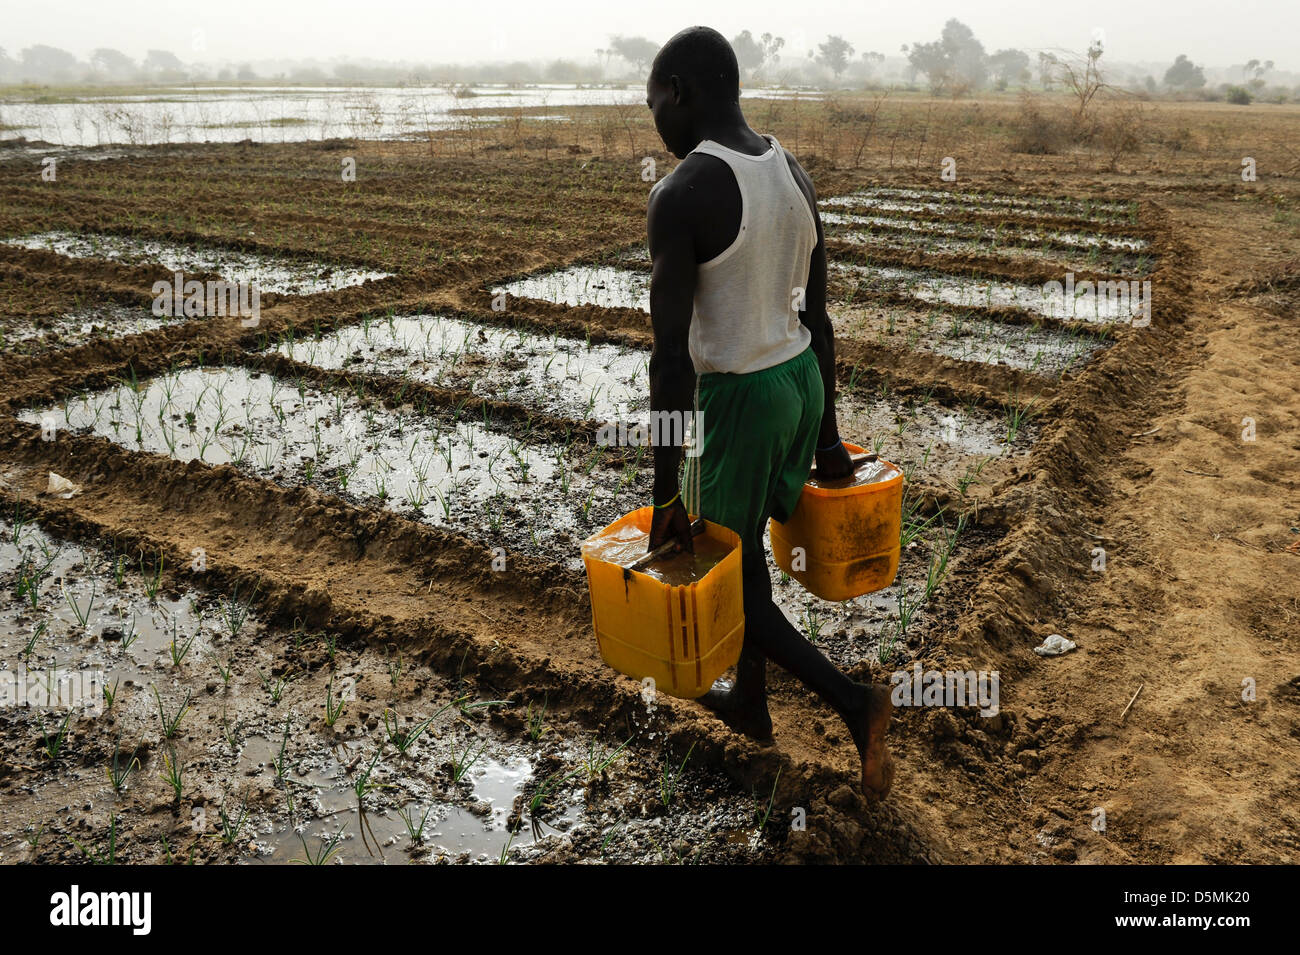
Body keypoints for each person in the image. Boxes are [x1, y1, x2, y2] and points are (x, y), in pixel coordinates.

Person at [643, 26, 894, 799]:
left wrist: (662, 496)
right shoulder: (793, 173)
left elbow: (672, 358)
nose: (653, 117)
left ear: (679, 92)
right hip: (797, 384)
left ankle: (855, 704)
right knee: (746, 554)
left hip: (741, 400)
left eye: (653, 101)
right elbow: (819, 319)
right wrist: (826, 436)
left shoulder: (681, 193)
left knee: (726, 577)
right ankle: (750, 702)